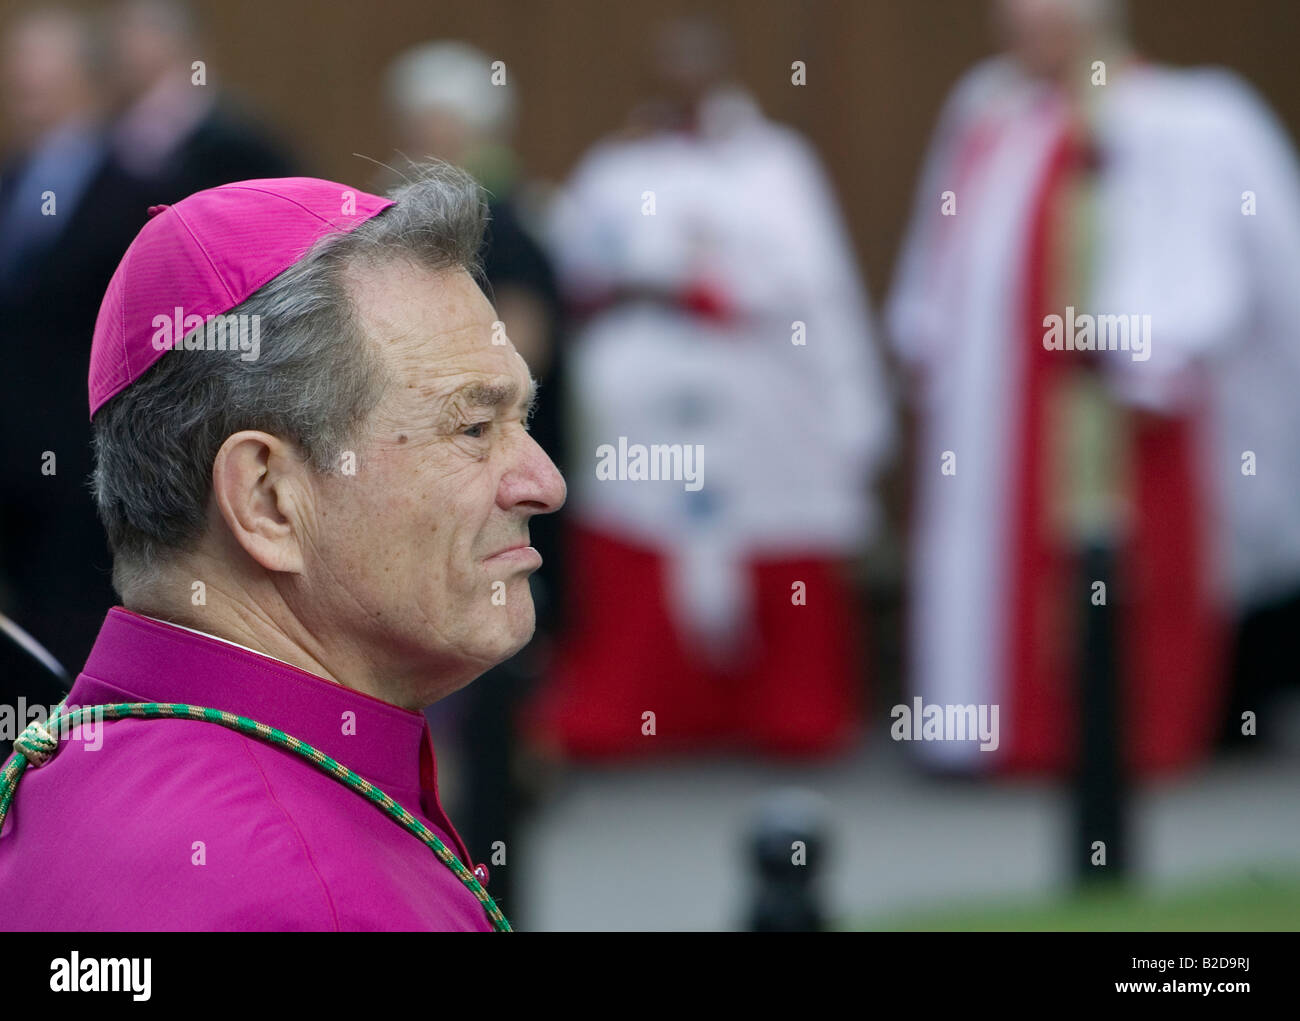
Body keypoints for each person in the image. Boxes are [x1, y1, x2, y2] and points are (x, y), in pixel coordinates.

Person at [0, 163, 566, 931]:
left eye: (523, 423)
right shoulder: (303, 896)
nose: (544, 482)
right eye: (472, 427)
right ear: (267, 498)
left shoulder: (62, 764)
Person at [886, 0, 1300, 776]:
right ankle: (989, 730)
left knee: (1104, 573)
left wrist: (1145, 342)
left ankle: (1101, 747)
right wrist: (928, 333)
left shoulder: (1170, 117)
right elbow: (941, 250)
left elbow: (1203, 262)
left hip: (1101, 407)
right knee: (984, 559)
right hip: (991, 409)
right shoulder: (987, 109)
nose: (1017, 30)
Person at [522, 17, 894, 758]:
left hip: (759, 395)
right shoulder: (617, 168)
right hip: (650, 402)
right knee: (641, 542)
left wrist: (854, 409)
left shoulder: (776, 164)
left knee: (775, 542)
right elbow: (585, 270)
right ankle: (650, 707)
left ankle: (787, 712)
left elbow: (814, 288)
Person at [0, 6, 150, 745]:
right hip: (10, 485)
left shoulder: (137, 193)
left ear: (88, 79)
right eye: (17, 67)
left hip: (83, 480)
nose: (23, 82)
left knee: (74, 666)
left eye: (40, 67)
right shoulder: (11, 183)